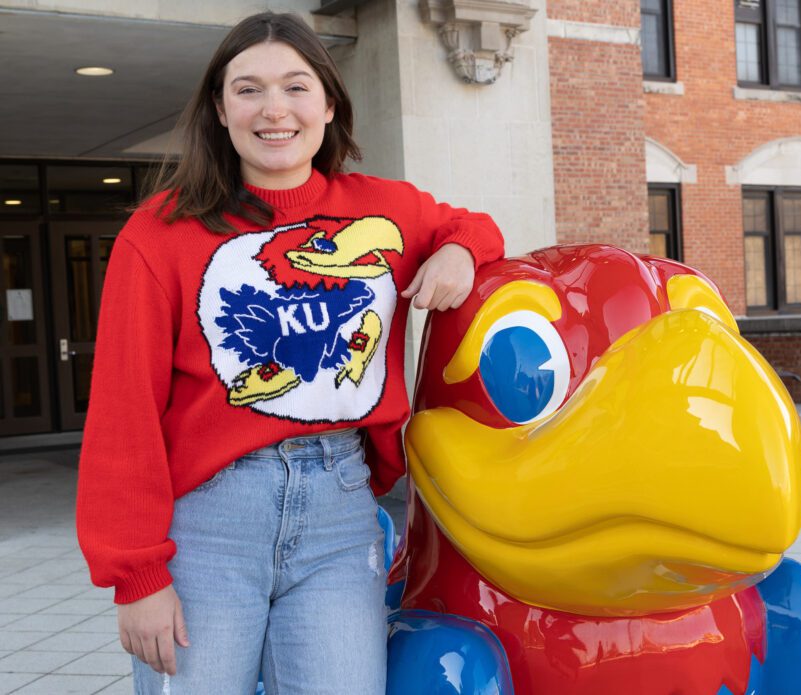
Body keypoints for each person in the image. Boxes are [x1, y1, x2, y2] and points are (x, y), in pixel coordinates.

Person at [75, 11, 504, 694]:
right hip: (208, 523)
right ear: (220, 109)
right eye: (248, 89)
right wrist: (137, 577)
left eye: (296, 87)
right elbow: (122, 417)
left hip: (340, 520)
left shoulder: (386, 212)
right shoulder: (158, 234)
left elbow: (475, 226)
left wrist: (458, 250)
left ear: (329, 104)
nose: (274, 109)